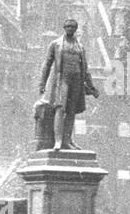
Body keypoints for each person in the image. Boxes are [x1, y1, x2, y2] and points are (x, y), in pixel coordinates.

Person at [38, 18, 98, 150]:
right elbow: (47, 64)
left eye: (72, 27)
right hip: (62, 80)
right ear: (64, 28)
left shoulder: (80, 47)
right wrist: (42, 83)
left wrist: (92, 87)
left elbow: (85, 68)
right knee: (60, 108)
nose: (70, 29)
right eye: (67, 26)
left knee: (71, 111)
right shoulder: (56, 44)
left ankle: (67, 140)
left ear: (76, 29)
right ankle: (58, 140)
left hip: (76, 80)